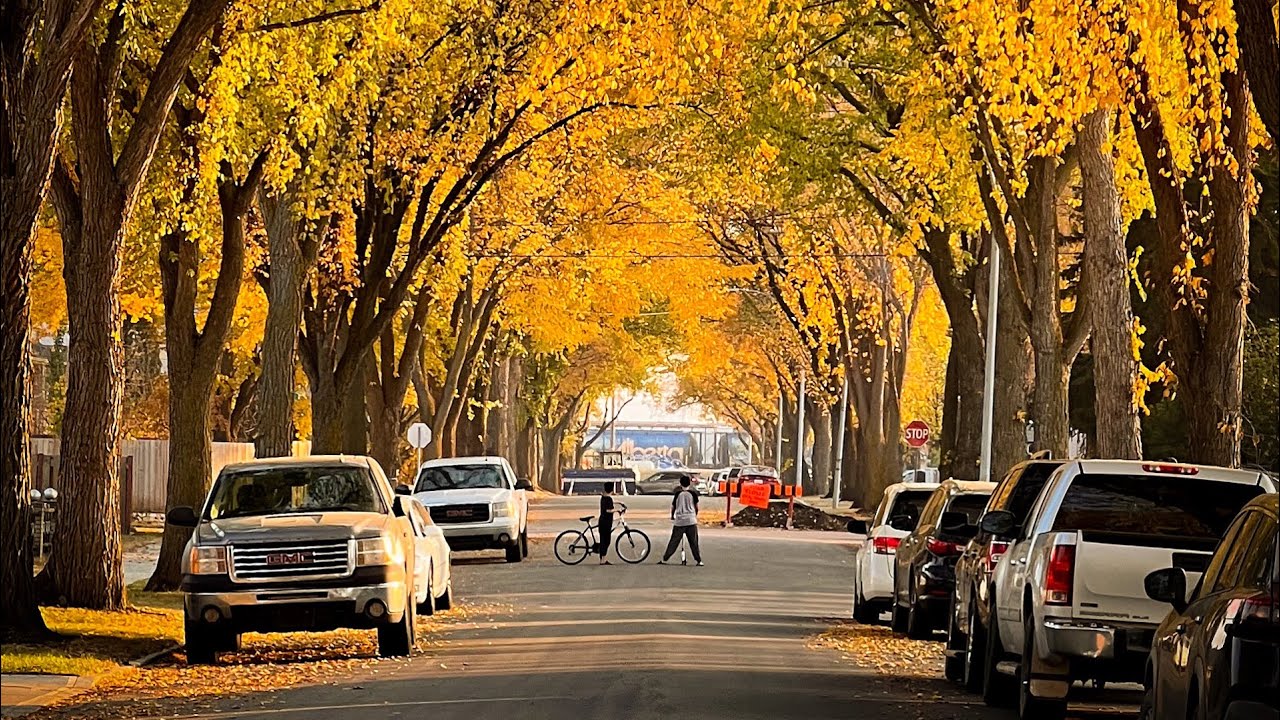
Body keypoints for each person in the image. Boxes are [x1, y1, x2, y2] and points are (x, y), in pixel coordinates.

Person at [658, 475, 702, 566]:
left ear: (680, 483)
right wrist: (694, 515)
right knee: (694, 542)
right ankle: (698, 560)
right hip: (691, 520)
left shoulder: (678, 494)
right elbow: (696, 507)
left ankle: (665, 559)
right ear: (689, 483)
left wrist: (672, 516)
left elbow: (673, 507)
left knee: (674, 541)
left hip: (680, 521)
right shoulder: (693, 494)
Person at [597, 481, 618, 565]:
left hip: (602, 521)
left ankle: (602, 558)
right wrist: (617, 510)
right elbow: (608, 510)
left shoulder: (603, 497)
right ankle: (603, 559)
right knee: (606, 541)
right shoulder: (609, 499)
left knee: (603, 540)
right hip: (606, 522)